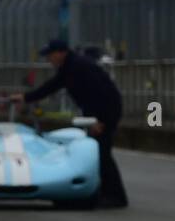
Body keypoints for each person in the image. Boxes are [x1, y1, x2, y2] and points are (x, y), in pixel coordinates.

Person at [11, 39, 128, 208]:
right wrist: (25, 98)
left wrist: (97, 121)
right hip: (101, 111)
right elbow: (51, 86)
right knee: (100, 152)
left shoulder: (78, 67)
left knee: (102, 152)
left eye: (50, 55)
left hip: (105, 111)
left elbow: (98, 94)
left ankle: (115, 196)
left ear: (61, 52)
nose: (49, 59)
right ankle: (110, 193)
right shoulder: (69, 67)